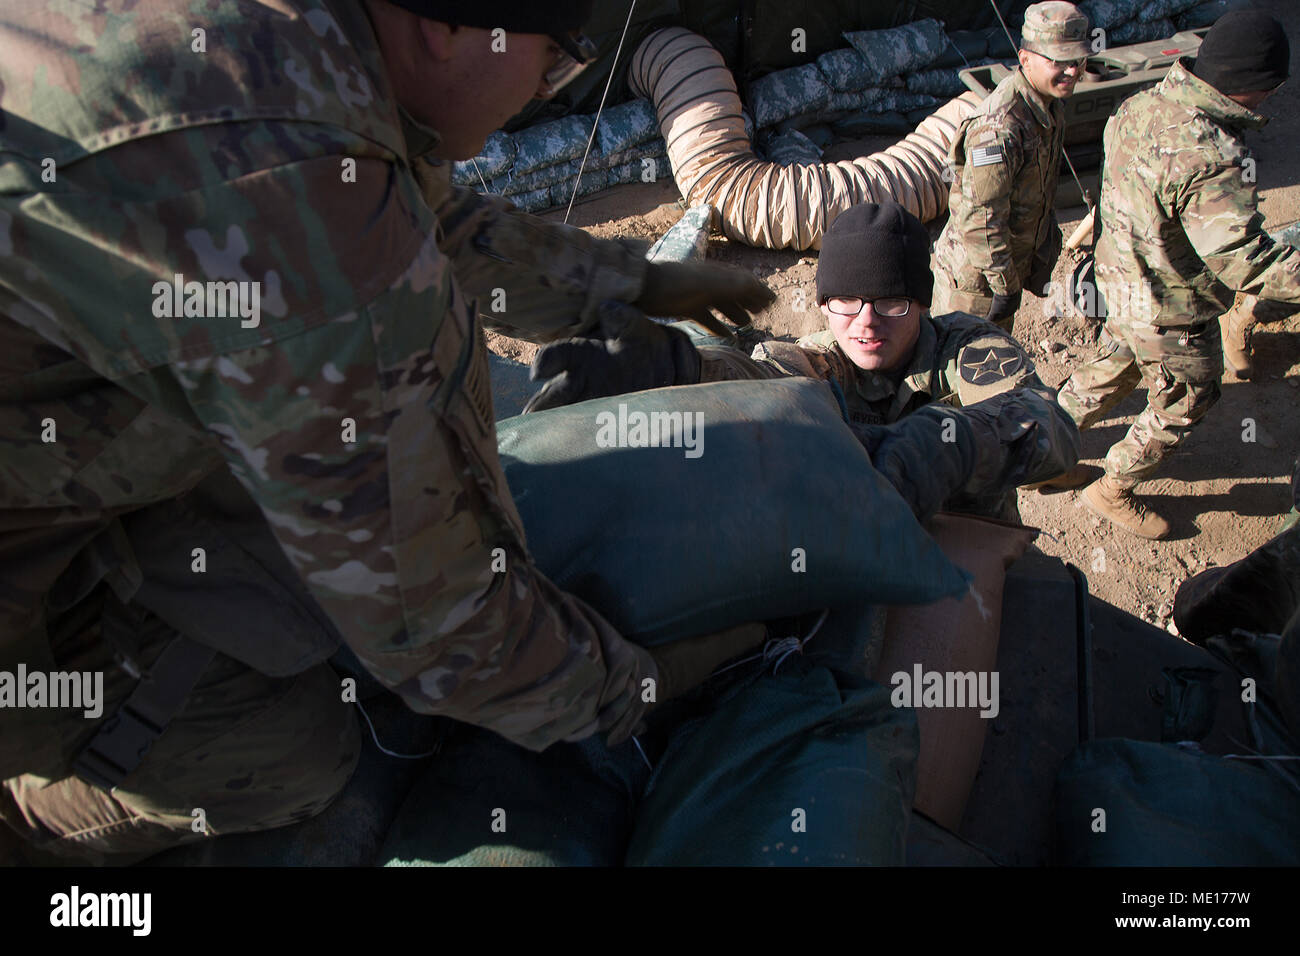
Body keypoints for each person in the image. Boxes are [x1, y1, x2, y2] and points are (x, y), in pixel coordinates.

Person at [0, 0, 773, 863]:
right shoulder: (299, 210)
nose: (542, 93)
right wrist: (630, 689)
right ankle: (32, 806)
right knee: (291, 755)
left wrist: (629, 290)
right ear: (448, 29)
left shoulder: (291, 41)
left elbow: (426, 219)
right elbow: (439, 632)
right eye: (554, 65)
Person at [529, 201, 1081, 523]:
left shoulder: (968, 350)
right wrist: (681, 369)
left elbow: (1053, 429)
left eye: (891, 302)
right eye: (846, 302)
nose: (866, 322)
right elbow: (758, 381)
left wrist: (956, 445)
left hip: (967, 542)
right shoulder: (821, 356)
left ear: (921, 303)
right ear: (823, 303)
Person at [1053, 10, 1300, 540]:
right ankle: (1113, 488)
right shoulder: (1214, 156)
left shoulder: (1137, 106)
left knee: (1107, 371)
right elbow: (1246, 261)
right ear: (1254, 86)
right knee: (1188, 398)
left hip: (1117, 286)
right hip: (1170, 308)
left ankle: (1037, 456)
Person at [930, 1, 1090, 333]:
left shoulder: (1048, 108)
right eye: (1059, 61)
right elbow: (981, 218)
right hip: (976, 281)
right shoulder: (999, 129)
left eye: (1078, 61)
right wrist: (1004, 286)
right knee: (964, 372)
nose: (1073, 71)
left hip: (1001, 269)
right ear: (1025, 59)